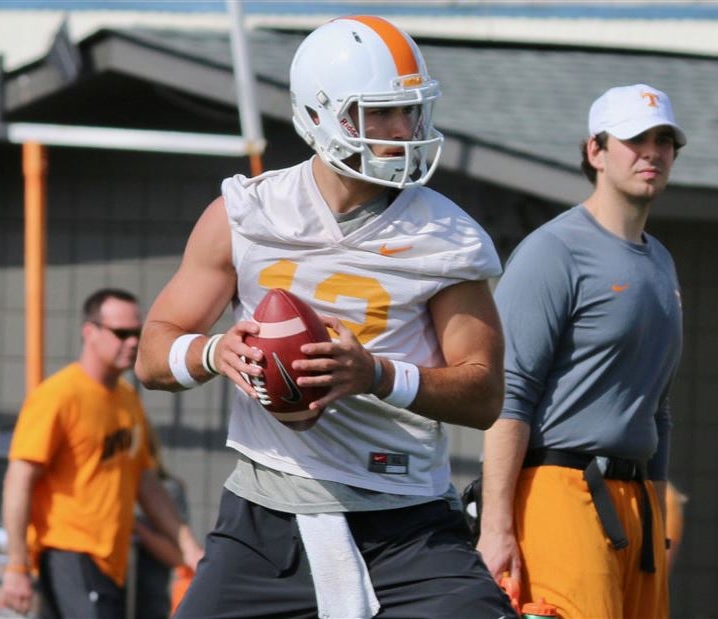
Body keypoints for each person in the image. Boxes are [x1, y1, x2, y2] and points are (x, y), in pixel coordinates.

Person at [134, 15, 516, 619]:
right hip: (265, 517)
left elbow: (485, 393)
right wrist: (214, 352)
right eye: (379, 113)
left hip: (406, 520)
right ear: (318, 114)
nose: (402, 131)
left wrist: (376, 375)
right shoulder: (247, 213)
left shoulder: (447, 235)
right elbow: (151, 356)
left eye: (410, 111)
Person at [478, 84, 686, 618]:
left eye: (665, 140)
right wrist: (496, 528)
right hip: (558, 490)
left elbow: (656, 407)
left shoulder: (661, 261)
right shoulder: (554, 251)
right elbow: (510, 393)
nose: (653, 152)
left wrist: (658, 516)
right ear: (595, 150)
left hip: (637, 503)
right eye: (636, 139)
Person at [0, 288, 203, 619]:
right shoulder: (58, 396)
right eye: (121, 333)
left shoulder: (126, 397)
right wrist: (16, 565)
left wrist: (190, 548)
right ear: (89, 332)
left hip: (111, 560)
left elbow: (145, 482)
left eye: (137, 333)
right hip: (70, 551)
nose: (133, 342)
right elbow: (18, 480)